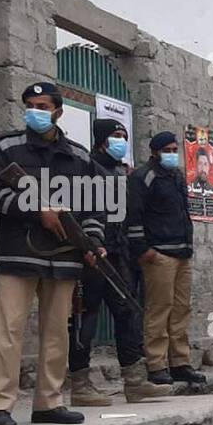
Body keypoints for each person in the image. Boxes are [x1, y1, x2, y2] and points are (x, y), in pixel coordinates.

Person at [0, 81, 108, 425]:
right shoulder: (6, 147)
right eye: (31, 104)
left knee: (56, 333)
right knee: (8, 331)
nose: (36, 110)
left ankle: (49, 403)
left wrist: (93, 242)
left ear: (58, 112)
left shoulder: (80, 156)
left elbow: (95, 205)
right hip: (19, 253)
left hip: (64, 258)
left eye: (44, 105)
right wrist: (37, 211)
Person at [67, 118, 172, 407]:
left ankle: (135, 383)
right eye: (116, 135)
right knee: (84, 320)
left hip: (119, 254)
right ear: (101, 138)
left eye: (124, 135)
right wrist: (88, 245)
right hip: (90, 256)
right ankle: (80, 385)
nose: (121, 140)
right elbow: (80, 211)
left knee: (128, 314)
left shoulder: (124, 173)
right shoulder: (86, 169)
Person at [127, 131, 205, 388]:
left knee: (181, 309)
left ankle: (179, 362)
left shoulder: (176, 176)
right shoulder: (143, 177)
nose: (172, 154)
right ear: (155, 151)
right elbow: (133, 216)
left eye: (175, 150)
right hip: (159, 253)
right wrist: (143, 249)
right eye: (167, 150)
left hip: (182, 252)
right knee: (159, 308)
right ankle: (157, 364)